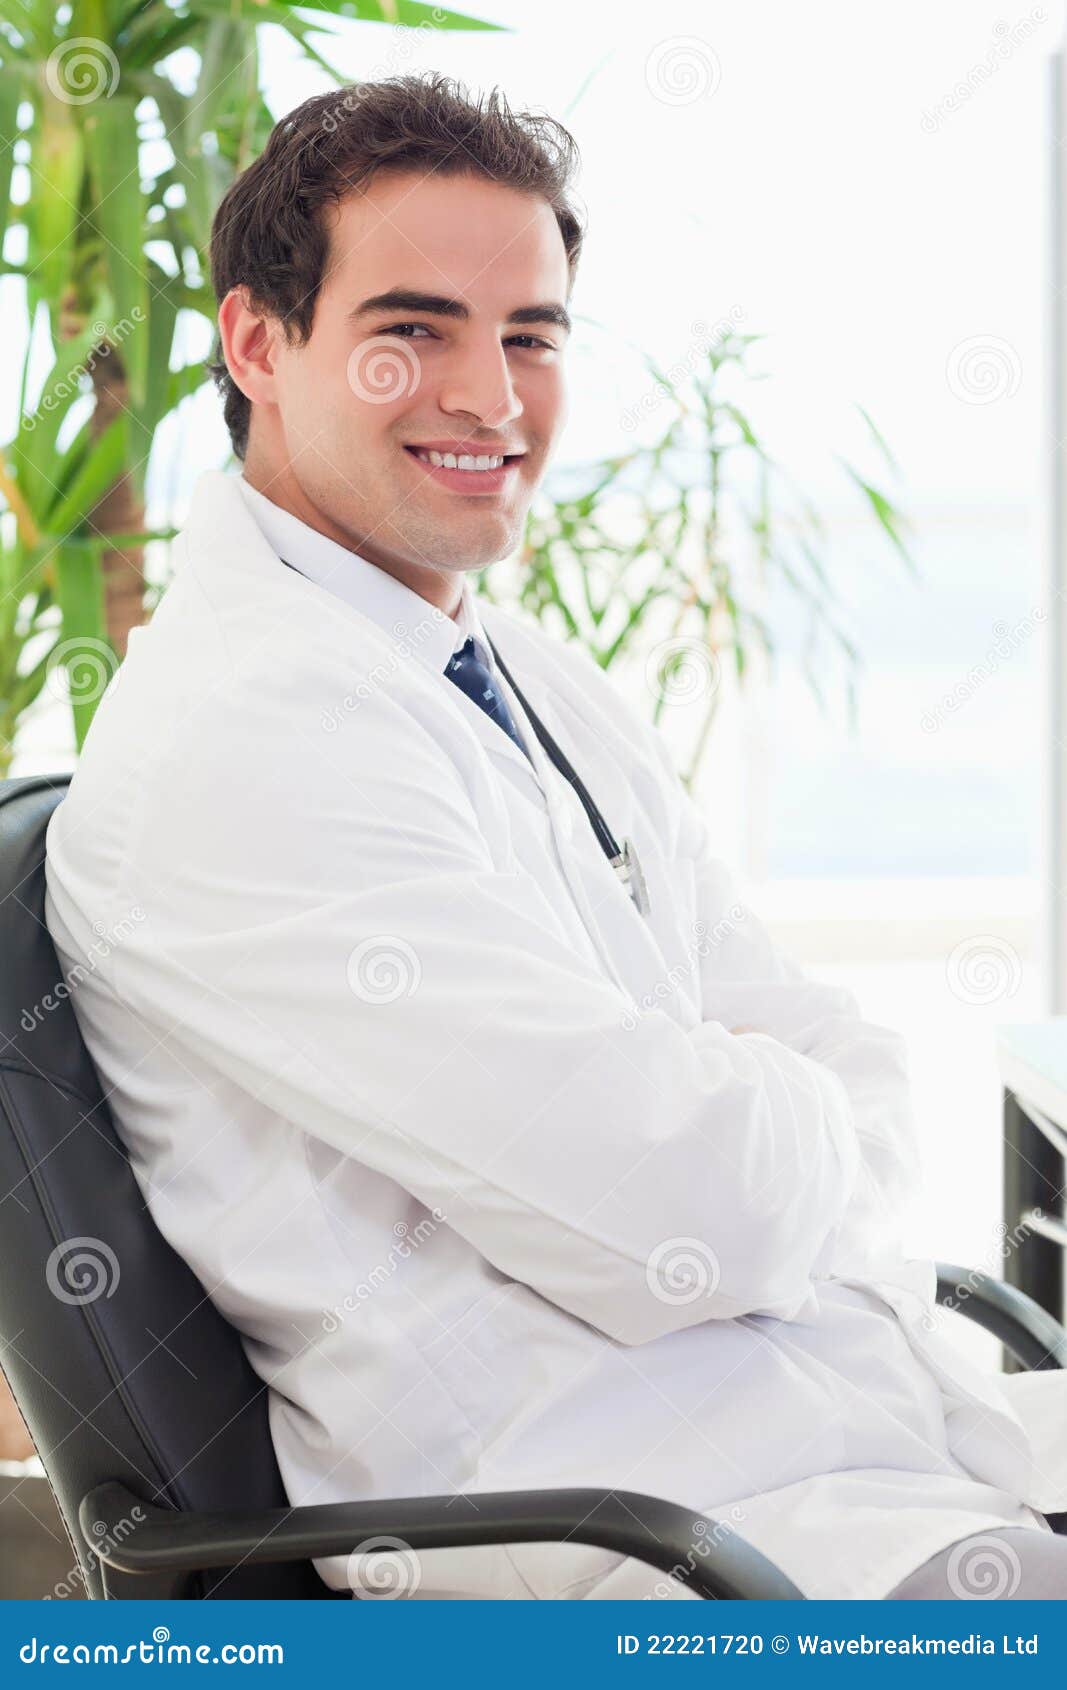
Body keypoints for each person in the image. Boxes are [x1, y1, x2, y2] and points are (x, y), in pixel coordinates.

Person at [43, 72, 1067, 1601]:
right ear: (261, 343)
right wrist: (768, 1140)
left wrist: (757, 1132)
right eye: (412, 332)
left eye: (530, 334)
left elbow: (829, 1052)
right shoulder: (241, 744)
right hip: (648, 1540)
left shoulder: (503, 663)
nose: (491, 396)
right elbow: (691, 1204)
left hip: (822, 1447)